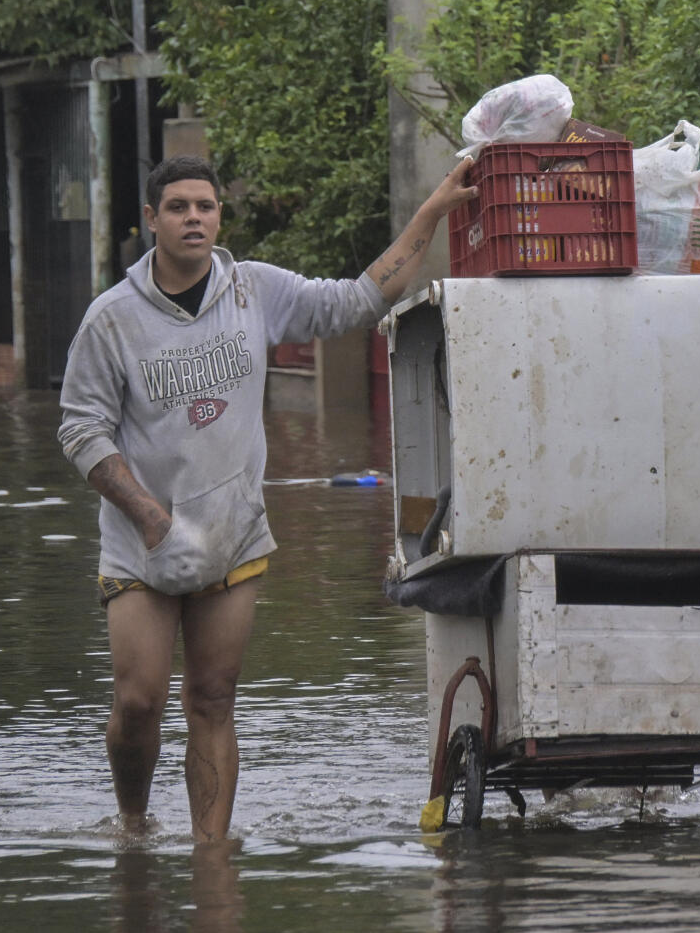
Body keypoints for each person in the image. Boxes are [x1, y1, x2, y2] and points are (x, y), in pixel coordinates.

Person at [60, 153, 474, 843]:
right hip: (141, 543)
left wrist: (432, 210)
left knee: (212, 698)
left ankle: (210, 854)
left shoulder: (254, 290)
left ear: (220, 216)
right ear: (152, 219)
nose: (194, 217)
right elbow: (80, 429)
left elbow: (356, 300)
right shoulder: (112, 319)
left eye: (205, 205)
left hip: (233, 535)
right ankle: (133, 825)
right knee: (138, 702)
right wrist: (149, 515)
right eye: (178, 207)